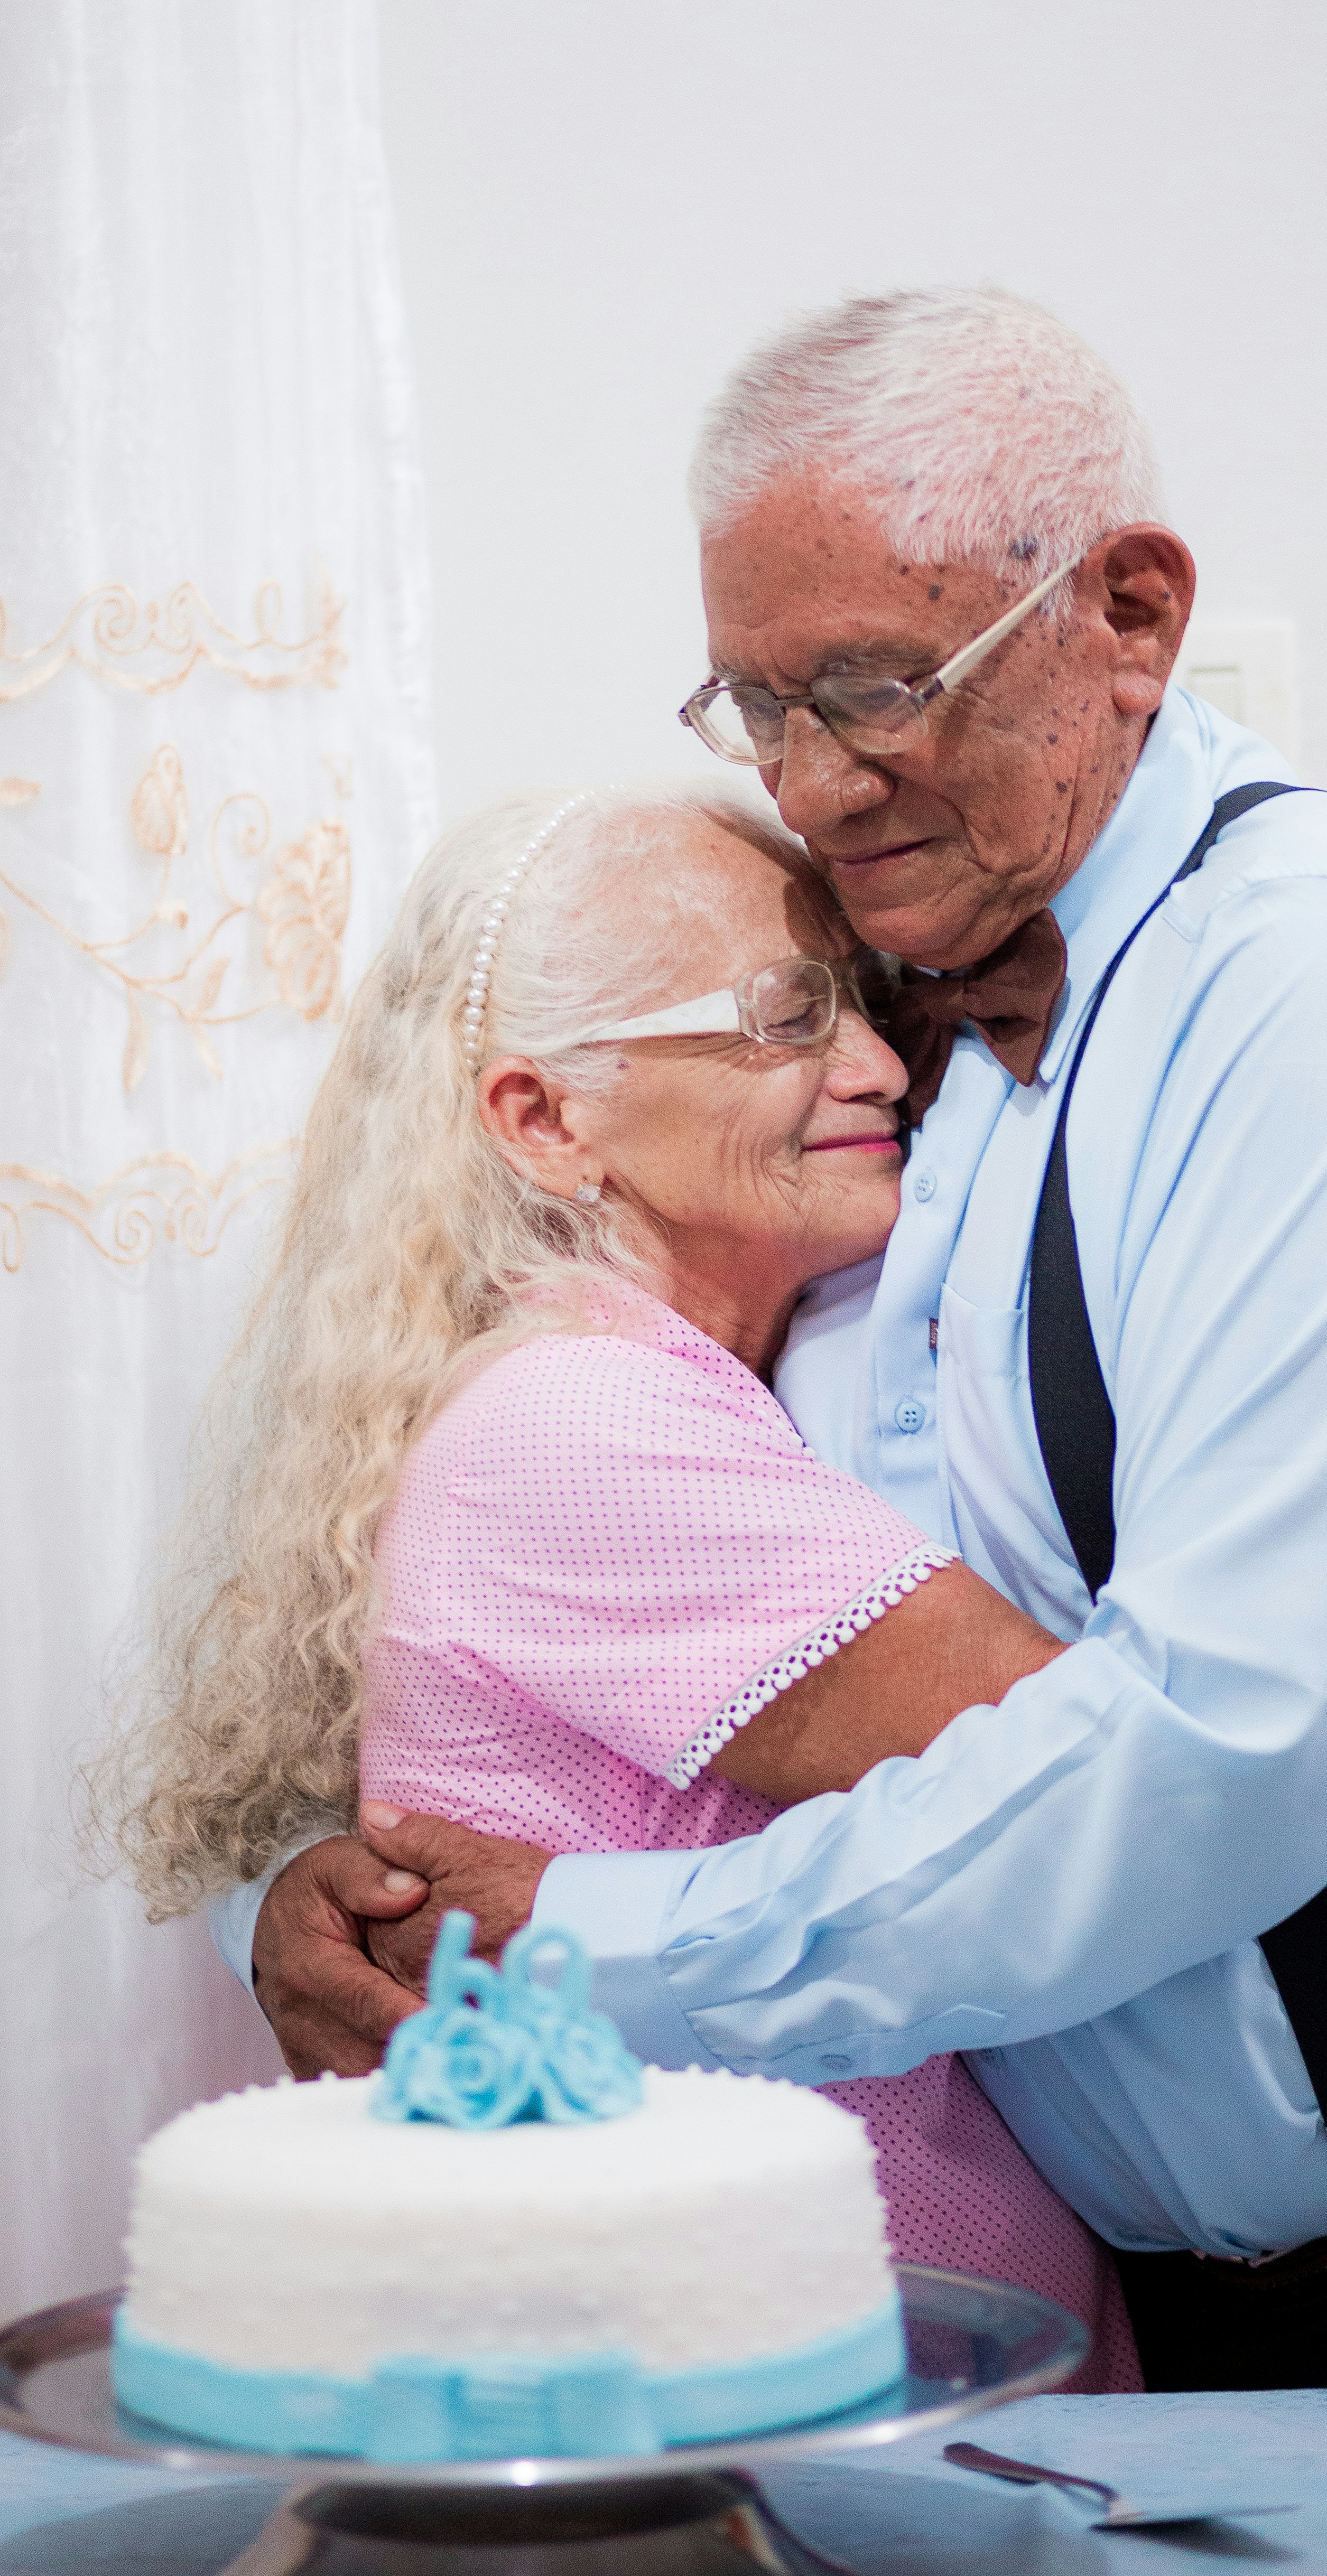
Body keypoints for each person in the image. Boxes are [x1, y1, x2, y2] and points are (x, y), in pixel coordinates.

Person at [225, 287, 1327, 2393]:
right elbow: (880, 1651)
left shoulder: (1307, 986)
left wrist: (577, 1950)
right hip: (1156, 2311)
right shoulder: (903, 1079)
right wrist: (323, 1908)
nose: (814, 783)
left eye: (870, 688)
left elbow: (1235, 1736)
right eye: (753, 705)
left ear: (1126, 609)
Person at [109, 780, 1152, 2380]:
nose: (879, 1067)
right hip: (800, 2403)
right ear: (544, 1119)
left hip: (880, 2372)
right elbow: (1142, 1774)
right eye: (781, 1016)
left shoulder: (717, 1368)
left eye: (865, 1008)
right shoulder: (587, 1424)